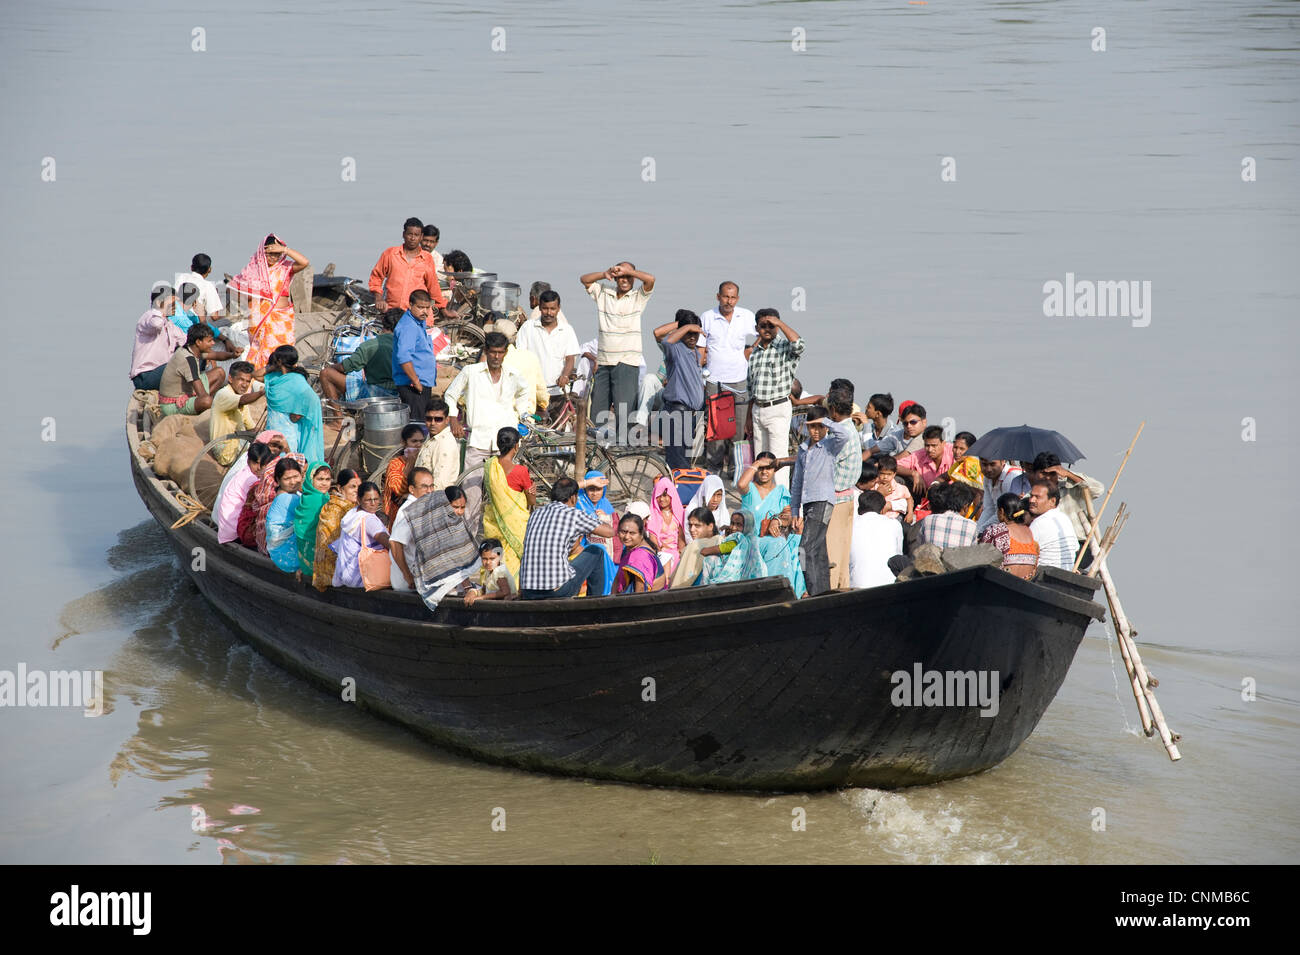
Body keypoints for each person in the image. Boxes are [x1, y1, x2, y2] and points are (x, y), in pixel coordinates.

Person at [443, 330, 533, 527]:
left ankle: (505, 535)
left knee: (505, 494)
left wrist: (524, 415)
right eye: (493, 352)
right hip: (479, 441)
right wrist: (453, 419)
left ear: (506, 353)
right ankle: (469, 539)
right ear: (486, 351)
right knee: (472, 493)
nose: (496, 357)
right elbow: (450, 395)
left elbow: (524, 393)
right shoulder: (471, 372)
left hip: (506, 444)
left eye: (501, 352)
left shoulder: (513, 375)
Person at [580, 261, 655, 435]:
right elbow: (584, 280)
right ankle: (594, 451)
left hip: (626, 363)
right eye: (621, 277)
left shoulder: (638, 297)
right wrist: (604, 273)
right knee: (597, 411)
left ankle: (624, 452)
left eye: (628, 276)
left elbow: (650, 279)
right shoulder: (604, 292)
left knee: (625, 412)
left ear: (634, 278)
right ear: (615, 278)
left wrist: (630, 271)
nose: (624, 280)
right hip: (604, 362)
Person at [788, 406, 851, 596]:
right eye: (812, 427)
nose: (815, 431)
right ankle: (824, 592)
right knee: (818, 550)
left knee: (804, 549)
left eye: (819, 427)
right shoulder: (803, 449)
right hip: (807, 504)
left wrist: (826, 421)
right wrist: (793, 511)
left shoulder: (830, 445)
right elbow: (797, 482)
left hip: (823, 502)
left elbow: (845, 435)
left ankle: (814, 593)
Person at [518, 477, 616, 600]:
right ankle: (594, 604)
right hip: (556, 590)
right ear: (574, 498)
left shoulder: (536, 513)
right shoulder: (573, 514)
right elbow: (609, 532)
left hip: (528, 591)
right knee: (597, 551)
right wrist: (602, 517)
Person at [698, 282, 756, 471]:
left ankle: (735, 469)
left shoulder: (746, 316)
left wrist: (751, 350)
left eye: (732, 298)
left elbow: (765, 332)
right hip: (714, 380)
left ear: (737, 299)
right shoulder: (707, 317)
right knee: (716, 427)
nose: (728, 301)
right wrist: (700, 376)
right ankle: (713, 467)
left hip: (739, 379)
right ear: (718, 297)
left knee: (738, 428)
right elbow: (701, 349)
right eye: (725, 297)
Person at [229, 233, 309, 367]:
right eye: (270, 254)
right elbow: (236, 292)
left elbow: (304, 262)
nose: (274, 257)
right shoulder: (252, 271)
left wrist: (284, 250)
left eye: (277, 254)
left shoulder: (285, 268)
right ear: (262, 252)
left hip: (281, 320)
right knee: (262, 354)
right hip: (260, 319)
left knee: (284, 354)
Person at [746, 308, 804, 488]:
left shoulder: (784, 347)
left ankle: (782, 501)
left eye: (772, 326)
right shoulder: (754, 353)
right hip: (758, 409)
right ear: (757, 328)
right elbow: (750, 387)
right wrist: (749, 416)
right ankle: (764, 496)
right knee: (761, 459)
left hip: (777, 408)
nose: (767, 329)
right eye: (763, 326)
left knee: (778, 459)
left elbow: (799, 344)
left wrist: (779, 323)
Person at [737, 451, 805, 597]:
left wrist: (778, 520)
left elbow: (789, 515)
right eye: (761, 468)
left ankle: (799, 590)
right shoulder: (750, 489)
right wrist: (756, 464)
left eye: (769, 467)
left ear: (775, 470)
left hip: (773, 538)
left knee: (796, 540)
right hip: (750, 541)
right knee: (778, 543)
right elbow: (741, 484)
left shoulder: (781, 491)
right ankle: (775, 592)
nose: (764, 471)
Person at [405, 486, 480, 606]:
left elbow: (460, 561)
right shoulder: (433, 524)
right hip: (432, 583)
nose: (460, 512)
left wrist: (469, 588)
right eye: (455, 507)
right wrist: (468, 589)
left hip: (455, 582)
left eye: (462, 507)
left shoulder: (457, 524)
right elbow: (454, 560)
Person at [1027, 452, 1105, 567]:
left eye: (1052, 473)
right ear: (1035, 474)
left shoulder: (1071, 485)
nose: (1047, 478)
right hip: (1049, 546)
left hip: (1080, 545)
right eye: (1043, 473)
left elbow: (1098, 489)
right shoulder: (1033, 496)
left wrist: (1069, 474)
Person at [653, 310, 706, 470]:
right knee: (678, 461)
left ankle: (678, 490)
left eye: (695, 334)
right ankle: (678, 491)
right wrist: (685, 324)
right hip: (676, 411)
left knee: (683, 457)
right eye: (688, 333)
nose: (692, 337)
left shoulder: (695, 352)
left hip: (690, 414)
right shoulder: (676, 349)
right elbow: (663, 337)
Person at [516, 290, 580, 420]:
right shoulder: (528, 327)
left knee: (559, 431)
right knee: (534, 431)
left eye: (552, 309)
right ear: (539, 307)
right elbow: (521, 357)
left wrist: (565, 375)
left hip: (558, 391)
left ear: (558, 309)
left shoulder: (567, 330)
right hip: (533, 392)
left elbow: (570, 359)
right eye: (545, 308)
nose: (549, 313)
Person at [368, 217, 449, 316]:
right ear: (403, 234)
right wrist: (378, 298)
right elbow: (376, 277)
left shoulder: (427, 258)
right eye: (410, 234)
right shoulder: (390, 254)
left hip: (416, 315)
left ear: (421, 236)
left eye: (416, 235)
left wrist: (443, 309)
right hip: (392, 312)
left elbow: (433, 287)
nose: (413, 238)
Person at [825, 389, 864, 591]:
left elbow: (824, 461)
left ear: (833, 410)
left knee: (832, 554)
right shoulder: (852, 428)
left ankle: (830, 594)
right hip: (848, 496)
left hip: (838, 499)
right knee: (842, 553)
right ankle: (841, 590)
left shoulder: (840, 433)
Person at [483, 426, 535, 577]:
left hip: (493, 523)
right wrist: (533, 493)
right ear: (516, 446)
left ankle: (494, 587)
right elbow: (531, 501)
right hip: (515, 524)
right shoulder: (520, 471)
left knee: (493, 557)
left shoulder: (489, 466)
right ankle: (514, 587)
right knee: (513, 560)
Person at [319, 307, 401, 401]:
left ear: (383, 323)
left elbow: (347, 366)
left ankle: (338, 415)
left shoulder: (371, 345)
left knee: (326, 373)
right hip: (398, 394)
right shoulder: (408, 345)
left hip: (374, 394)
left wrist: (332, 367)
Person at [261, 345, 324, 461]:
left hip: (288, 434)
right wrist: (273, 367)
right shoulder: (276, 377)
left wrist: (298, 414)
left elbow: (311, 399)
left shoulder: (296, 380)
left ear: (279, 361)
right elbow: (255, 375)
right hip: (273, 430)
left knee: (285, 465)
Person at [216, 439, 279, 544]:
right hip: (233, 529)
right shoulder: (251, 479)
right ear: (248, 460)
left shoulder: (245, 471)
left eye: (262, 464)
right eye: (255, 463)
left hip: (226, 526)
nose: (258, 468)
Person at [391, 289, 440, 420]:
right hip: (412, 385)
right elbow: (403, 358)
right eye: (420, 307)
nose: (424, 311)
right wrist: (416, 381)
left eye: (427, 308)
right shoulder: (409, 326)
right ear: (410, 305)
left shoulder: (419, 322)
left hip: (421, 382)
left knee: (422, 420)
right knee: (417, 424)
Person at [158, 324, 225, 417]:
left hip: (187, 390)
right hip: (172, 404)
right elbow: (202, 394)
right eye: (209, 341)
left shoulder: (189, 349)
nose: (213, 343)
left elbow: (216, 355)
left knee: (219, 372)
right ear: (198, 342)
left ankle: (199, 405)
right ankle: (200, 408)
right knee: (207, 401)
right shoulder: (189, 359)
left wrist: (232, 354)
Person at [332, 482, 390, 588]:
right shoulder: (369, 519)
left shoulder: (352, 514)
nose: (373, 503)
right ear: (359, 500)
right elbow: (390, 544)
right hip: (362, 576)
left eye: (376, 499)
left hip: (345, 573)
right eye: (368, 500)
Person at [130, 285, 185, 390]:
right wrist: (161, 310)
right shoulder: (149, 316)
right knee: (181, 364)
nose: (175, 307)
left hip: (161, 372)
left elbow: (186, 340)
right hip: (146, 375)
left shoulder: (170, 325)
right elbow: (157, 324)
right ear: (160, 303)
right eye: (172, 304)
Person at [313, 469, 360, 591]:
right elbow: (327, 547)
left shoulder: (354, 507)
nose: (357, 490)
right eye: (352, 487)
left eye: (359, 486)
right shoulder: (334, 510)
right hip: (332, 567)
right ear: (340, 488)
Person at [389, 466, 435, 592]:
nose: (429, 491)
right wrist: (408, 576)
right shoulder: (410, 511)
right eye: (424, 487)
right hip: (409, 584)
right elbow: (394, 543)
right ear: (411, 489)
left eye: (431, 486)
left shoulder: (422, 506)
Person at [209, 361, 263, 465]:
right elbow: (243, 400)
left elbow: (251, 428)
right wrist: (261, 392)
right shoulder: (224, 394)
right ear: (230, 379)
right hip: (225, 449)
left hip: (238, 442)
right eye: (241, 380)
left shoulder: (241, 399)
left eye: (248, 381)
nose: (244, 384)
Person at [491, 319, 549, 414]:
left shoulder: (493, 359)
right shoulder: (530, 357)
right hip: (525, 418)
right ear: (516, 337)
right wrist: (543, 405)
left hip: (497, 417)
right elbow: (541, 391)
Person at [977, 492, 1040, 579]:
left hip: (1001, 583)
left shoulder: (996, 530)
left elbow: (981, 560)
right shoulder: (1029, 531)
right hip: (1025, 585)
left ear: (1001, 512)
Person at [849, 490, 903, 589]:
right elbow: (898, 556)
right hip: (890, 585)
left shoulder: (850, 525)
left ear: (859, 508)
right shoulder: (895, 524)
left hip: (857, 586)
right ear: (883, 509)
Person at [702, 509, 767, 585]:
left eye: (738, 525)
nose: (733, 528)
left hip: (732, 584)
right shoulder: (753, 541)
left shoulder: (738, 541)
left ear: (747, 526)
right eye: (732, 523)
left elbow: (704, 551)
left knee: (710, 558)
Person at [264, 458, 307, 573]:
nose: (293, 482)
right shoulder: (288, 498)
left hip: (275, 549)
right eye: (287, 478)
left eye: (296, 476)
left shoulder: (288, 493)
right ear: (278, 480)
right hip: (283, 552)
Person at [1027, 478, 1079, 570]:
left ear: (1052, 501)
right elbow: (1076, 547)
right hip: (1064, 574)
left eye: (1037, 497)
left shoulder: (1039, 523)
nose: (1031, 500)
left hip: (1043, 577)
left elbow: (1024, 554)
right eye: (1031, 496)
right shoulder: (1064, 518)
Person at [412, 398, 460, 491]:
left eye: (438, 419)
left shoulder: (445, 444)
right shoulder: (432, 436)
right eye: (429, 419)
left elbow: (441, 482)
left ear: (447, 420)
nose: (432, 423)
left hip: (432, 498)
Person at [897, 425, 955, 502]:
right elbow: (895, 466)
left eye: (934, 446)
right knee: (897, 479)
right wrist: (914, 473)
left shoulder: (954, 452)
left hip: (951, 496)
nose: (930, 449)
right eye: (927, 445)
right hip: (924, 495)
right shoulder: (919, 454)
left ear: (943, 443)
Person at [383, 423, 427, 521]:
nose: (418, 445)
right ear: (404, 443)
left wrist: (410, 495)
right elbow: (398, 489)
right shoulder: (395, 464)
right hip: (395, 515)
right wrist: (410, 463)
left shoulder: (423, 463)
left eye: (421, 441)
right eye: (414, 441)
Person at [613, 514, 667, 594]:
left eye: (632, 533)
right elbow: (617, 580)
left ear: (641, 534)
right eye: (623, 532)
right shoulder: (629, 549)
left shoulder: (640, 555)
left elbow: (640, 591)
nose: (626, 537)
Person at [977, 456, 1032, 532]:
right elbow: (989, 508)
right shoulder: (987, 478)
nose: (988, 469)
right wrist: (978, 530)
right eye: (984, 464)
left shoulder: (1011, 478)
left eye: (992, 464)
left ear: (1003, 461)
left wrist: (981, 530)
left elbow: (1005, 513)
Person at [671, 507, 724, 587]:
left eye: (697, 525)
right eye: (690, 525)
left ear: (710, 526)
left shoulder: (716, 543)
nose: (692, 529)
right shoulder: (719, 541)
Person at [916, 482, 979, 548]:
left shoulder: (928, 520)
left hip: (932, 557)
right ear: (965, 507)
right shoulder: (972, 526)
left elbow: (920, 546)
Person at [646, 476, 686, 578]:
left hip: (676, 553)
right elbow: (653, 538)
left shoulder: (678, 514)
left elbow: (681, 538)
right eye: (659, 496)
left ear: (672, 495)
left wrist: (682, 553)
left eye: (665, 495)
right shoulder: (653, 515)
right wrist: (660, 552)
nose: (662, 499)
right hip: (661, 552)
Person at [464, 539, 518, 605]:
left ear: (500, 557)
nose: (488, 562)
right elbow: (484, 590)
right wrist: (473, 592)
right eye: (484, 558)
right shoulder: (488, 571)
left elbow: (505, 592)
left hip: (507, 605)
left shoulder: (499, 571)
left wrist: (482, 597)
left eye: (492, 559)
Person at [175, 253, 225, 323]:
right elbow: (214, 316)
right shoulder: (208, 285)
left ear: (191, 267)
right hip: (193, 324)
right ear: (209, 270)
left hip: (175, 319)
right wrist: (229, 315)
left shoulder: (182, 277)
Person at [856, 392, 905, 457]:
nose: (866, 408)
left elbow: (871, 450)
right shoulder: (871, 428)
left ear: (878, 414)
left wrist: (866, 424)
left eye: (869, 407)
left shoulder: (894, 433)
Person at [872, 455, 915, 523]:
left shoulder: (900, 488)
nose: (885, 477)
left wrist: (910, 513)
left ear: (894, 474)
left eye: (889, 474)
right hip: (877, 518)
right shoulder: (873, 486)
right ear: (878, 472)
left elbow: (909, 498)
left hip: (895, 518)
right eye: (882, 473)